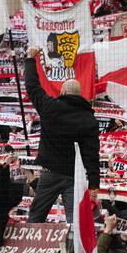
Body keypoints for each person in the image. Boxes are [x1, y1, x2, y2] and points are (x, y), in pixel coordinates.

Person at [23, 47, 100, 222]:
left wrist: (30, 59)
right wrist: (94, 183)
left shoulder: (51, 108)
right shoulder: (89, 119)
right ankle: (73, 249)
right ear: (80, 95)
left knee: (35, 217)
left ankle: (34, 247)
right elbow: (92, 154)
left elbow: (32, 87)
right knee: (75, 222)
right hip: (74, 176)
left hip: (50, 173)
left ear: (63, 92)